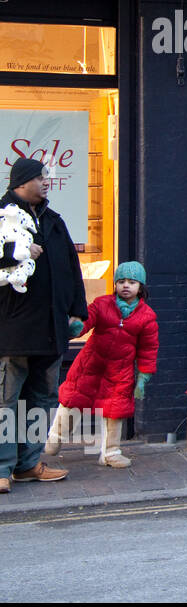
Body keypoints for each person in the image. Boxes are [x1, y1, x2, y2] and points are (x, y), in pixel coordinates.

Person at [0, 158, 89, 492]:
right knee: (7, 402)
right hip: (13, 327)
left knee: (42, 400)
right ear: (21, 182)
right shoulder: (3, 218)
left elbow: (70, 266)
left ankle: (28, 464)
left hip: (52, 327)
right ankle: (3, 468)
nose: (46, 181)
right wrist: (19, 254)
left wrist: (78, 311)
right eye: (39, 177)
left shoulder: (53, 221)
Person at [45, 261, 158, 469]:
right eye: (121, 281)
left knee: (115, 410)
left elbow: (148, 349)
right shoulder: (102, 303)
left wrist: (143, 376)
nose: (126, 286)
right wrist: (77, 327)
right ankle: (56, 437)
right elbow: (88, 319)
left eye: (132, 282)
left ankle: (110, 452)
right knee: (71, 401)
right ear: (114, 284)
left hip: (119, 371)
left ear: (140, 287)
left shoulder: (147, 317)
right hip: (90, 364)